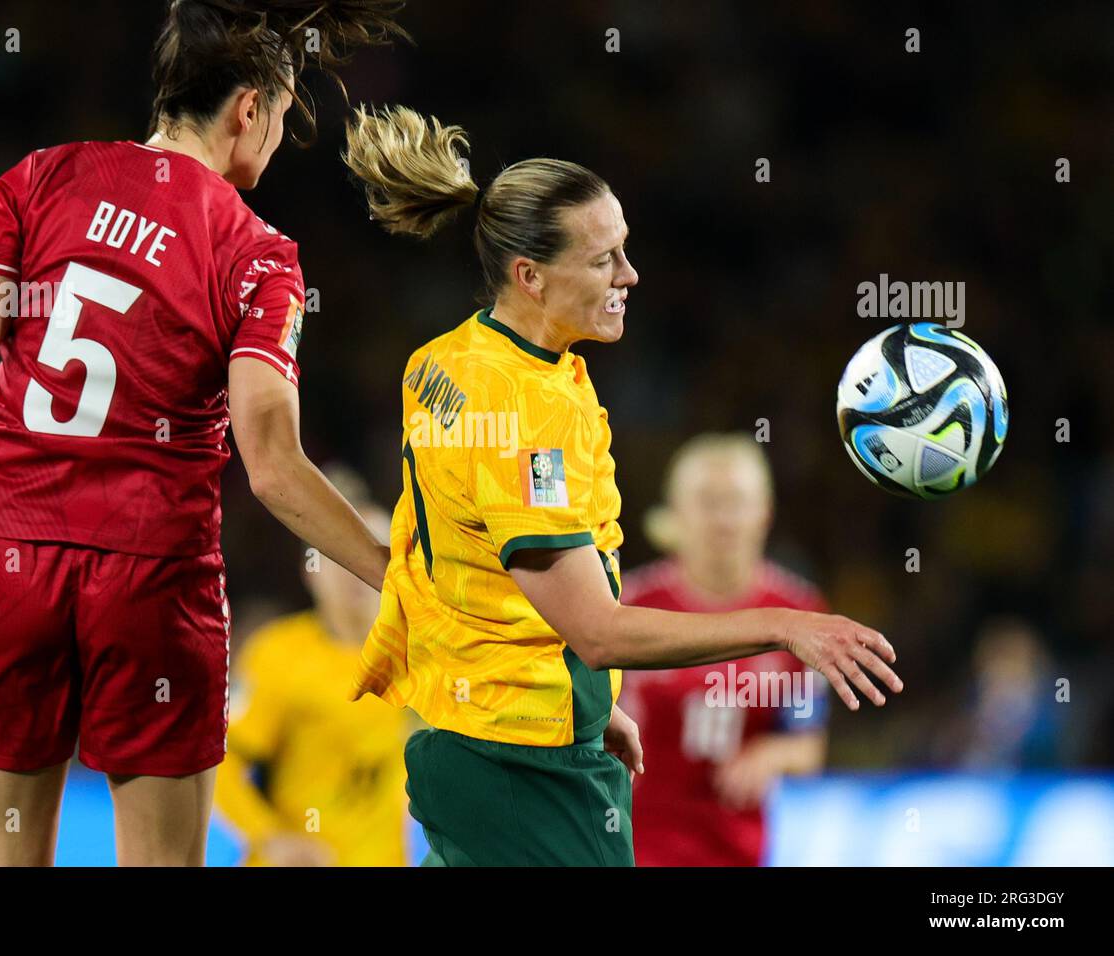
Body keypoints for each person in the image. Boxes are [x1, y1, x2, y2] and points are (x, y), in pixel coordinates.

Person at [0, 0, 406, 866]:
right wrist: (403, 585)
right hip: (150, 579)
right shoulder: (257, 254)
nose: (278, 141)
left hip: (6, 560)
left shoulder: (39, 179)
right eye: (281, 119)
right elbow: (274, 466)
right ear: (248, 109)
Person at [340, 104, 903, 867]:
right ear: (530, 276)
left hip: (471, 736)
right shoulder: (526, 411)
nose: (629, 275)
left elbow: (456, 560)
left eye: (625, 250)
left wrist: (582, 700)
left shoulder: (445, 360)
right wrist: (783, 625)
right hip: (525, 766)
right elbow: (599, 631)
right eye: (604, 258)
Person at [620, 433, 831, 866]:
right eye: (707, 502)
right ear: (675, 514)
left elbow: (808, 744)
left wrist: (770, 755)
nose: (723, 520)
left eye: (736, 502)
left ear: (765, 513)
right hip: (637, 845)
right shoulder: (627, 606)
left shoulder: (800, 614)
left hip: (737, 848)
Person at [215, 468, 415, 866]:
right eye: (339, 556)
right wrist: (271, 839)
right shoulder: (278, 655)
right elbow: (221, 760)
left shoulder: (422, 659)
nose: (356, 572)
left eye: (375, 552)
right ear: (310, 571)